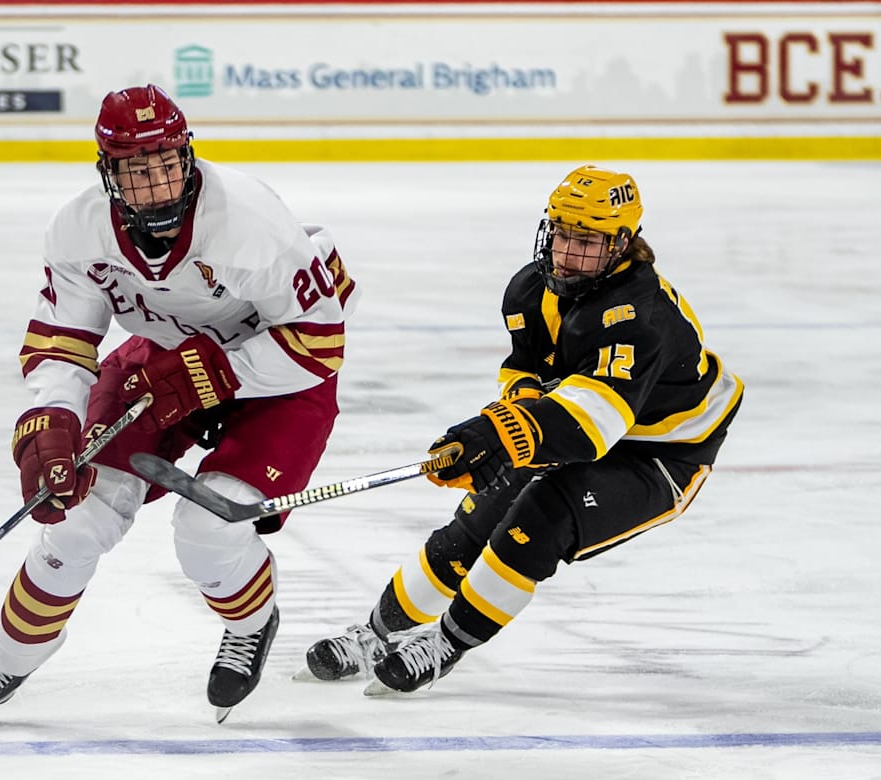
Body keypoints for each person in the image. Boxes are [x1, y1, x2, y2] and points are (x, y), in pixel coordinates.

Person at [0, 84, 357, 726]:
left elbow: (319, 344)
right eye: (136, 167)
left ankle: (252, 623)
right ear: (108, 172)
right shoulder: (78, 228)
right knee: (71, 520)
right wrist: (54, 418)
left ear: (187, 155)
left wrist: (214, 374)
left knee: (208, 531)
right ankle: (4, 664)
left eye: (167, 161)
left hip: (278, 377)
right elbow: (63, 340)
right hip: (164, 359)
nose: (157, 180)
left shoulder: (251, 222)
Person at [297, 165, 742, 694]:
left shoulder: (637, 316)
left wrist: (495, 433)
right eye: (562, 233)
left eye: (587, 241)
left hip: (661, 455)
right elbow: (527, 372)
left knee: (538, 520)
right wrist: (504, 425)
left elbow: (591, 426)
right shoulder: (531, 290)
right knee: (471, 526)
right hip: (580, 421)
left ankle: (445, 644)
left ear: (622, 243)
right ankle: (373, 635)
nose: (566, 253)